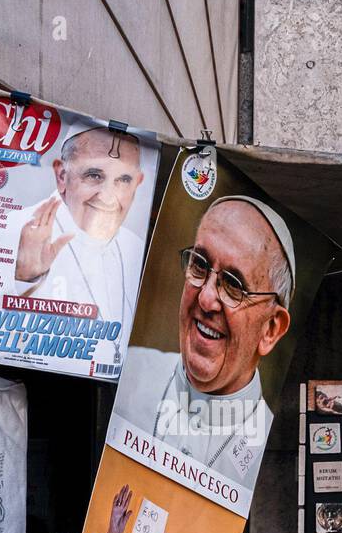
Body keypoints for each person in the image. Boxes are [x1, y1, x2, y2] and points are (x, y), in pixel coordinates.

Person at [113, 196, 294, 488]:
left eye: (234, 285)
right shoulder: (129, 373)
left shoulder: (274, 446)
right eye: (199, 265)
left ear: (270, 329)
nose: (206, 298)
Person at [12, 127, 147, 365]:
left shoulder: (134, 247)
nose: (108, 197)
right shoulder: (7, 230)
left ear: (138, 183)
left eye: (124, 180)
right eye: (94, 175)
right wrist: (23, 280)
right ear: (62, 176)